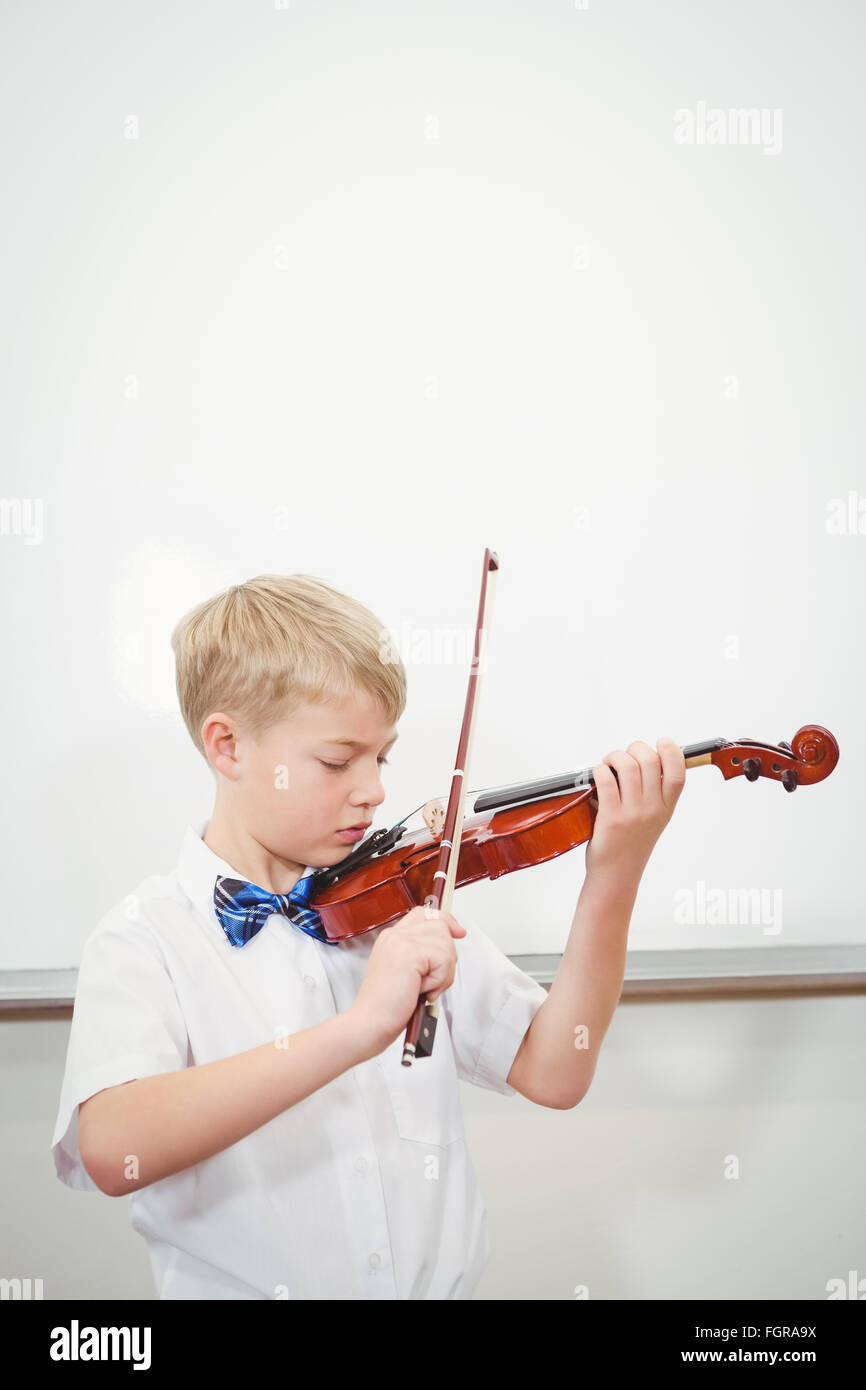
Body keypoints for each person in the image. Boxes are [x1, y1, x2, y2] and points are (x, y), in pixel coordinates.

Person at [51, 572, 686, 1299]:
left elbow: (557, 1070)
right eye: (336, 759)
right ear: (228, 747)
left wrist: (614, 874)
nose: (375, 790)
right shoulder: (146, 939)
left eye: (380, 757)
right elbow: (112, 1148)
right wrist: (359, 1027)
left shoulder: (395, 905)